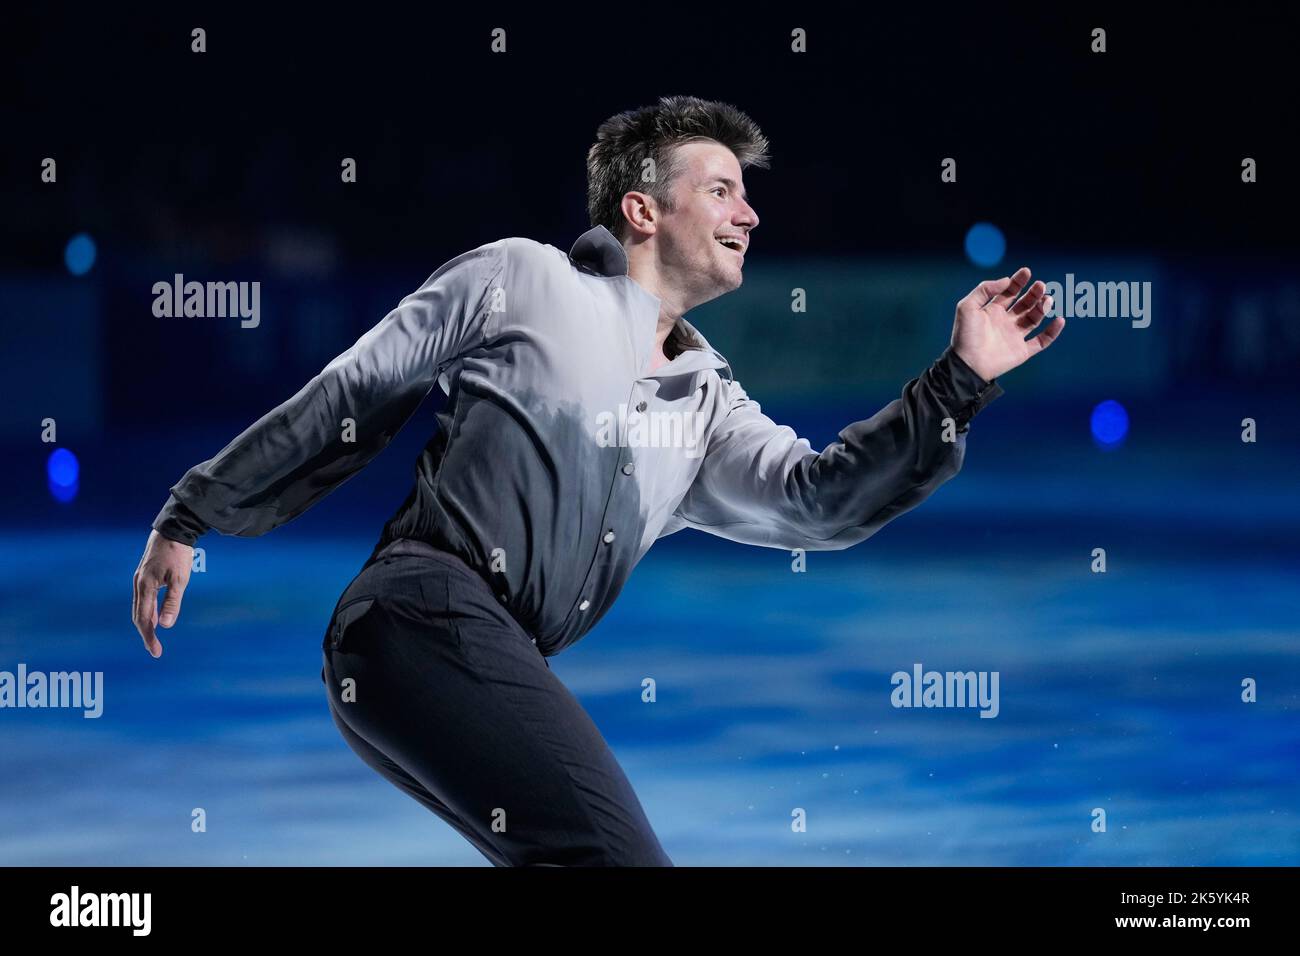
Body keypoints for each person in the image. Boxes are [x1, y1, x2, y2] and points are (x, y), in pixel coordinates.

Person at [131, 95, 1064, 866]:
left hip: (470, 660)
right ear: (643, 210)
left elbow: (822, 500)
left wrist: (959, 384)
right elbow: (355, 393)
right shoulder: (523, 280)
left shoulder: (707, 403)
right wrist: (194, 511)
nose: (750, 213)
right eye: (723, 189)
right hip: (418, 617)